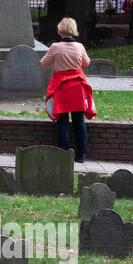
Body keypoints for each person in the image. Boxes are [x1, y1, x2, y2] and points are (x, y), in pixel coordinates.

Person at [40, 16, 95, 164]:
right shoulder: (80, 46)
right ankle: (81, 156)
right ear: (73, 30)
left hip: (62, 87)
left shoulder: (55, 47)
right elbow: (87, 62)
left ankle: (63, 154)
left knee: (62, 121)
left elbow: (44, 63)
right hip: (77, 87)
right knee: (79, 122)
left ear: (60, 31)